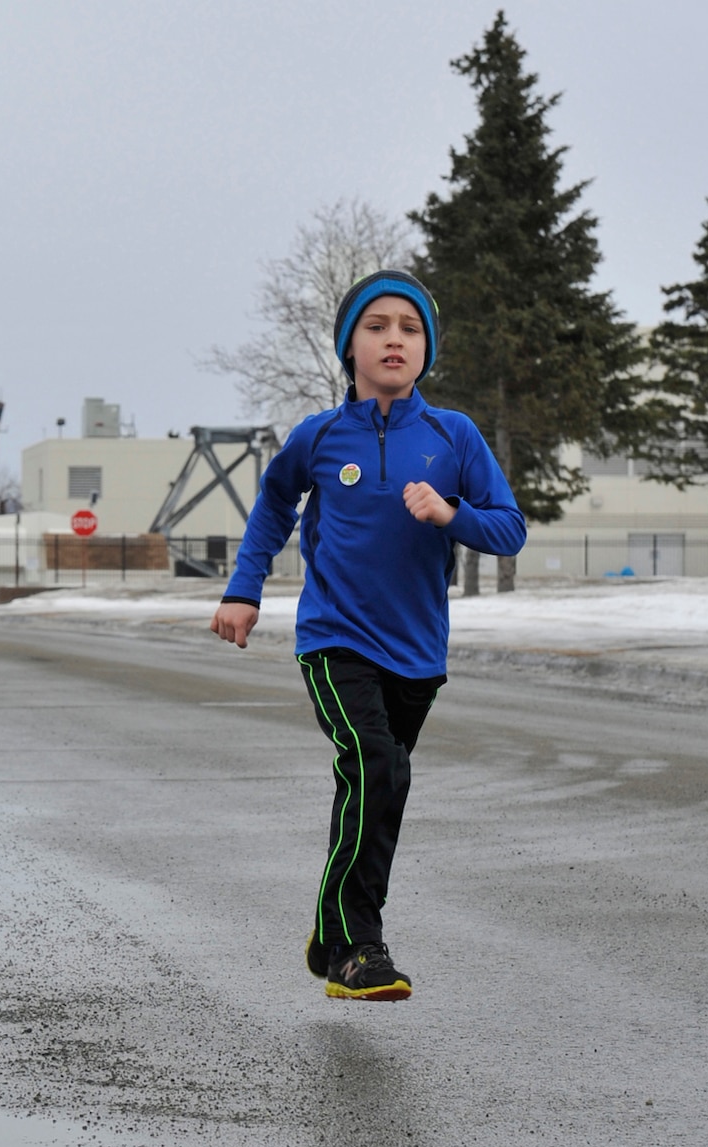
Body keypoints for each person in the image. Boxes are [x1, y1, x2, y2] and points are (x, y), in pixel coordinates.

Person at [211, 270, 526, 1000]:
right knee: (373, 761)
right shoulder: (320, 436)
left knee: (378, 786)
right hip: (334, 639)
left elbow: (508, 529)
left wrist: (453, 515)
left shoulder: (454, 436)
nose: (394, 339)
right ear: (349, 345)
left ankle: (331, 934)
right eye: (377, 326)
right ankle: (361, 948)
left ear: (427, 348)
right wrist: (243, 590)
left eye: (409, 329)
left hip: (417, 651)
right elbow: (273, 505)